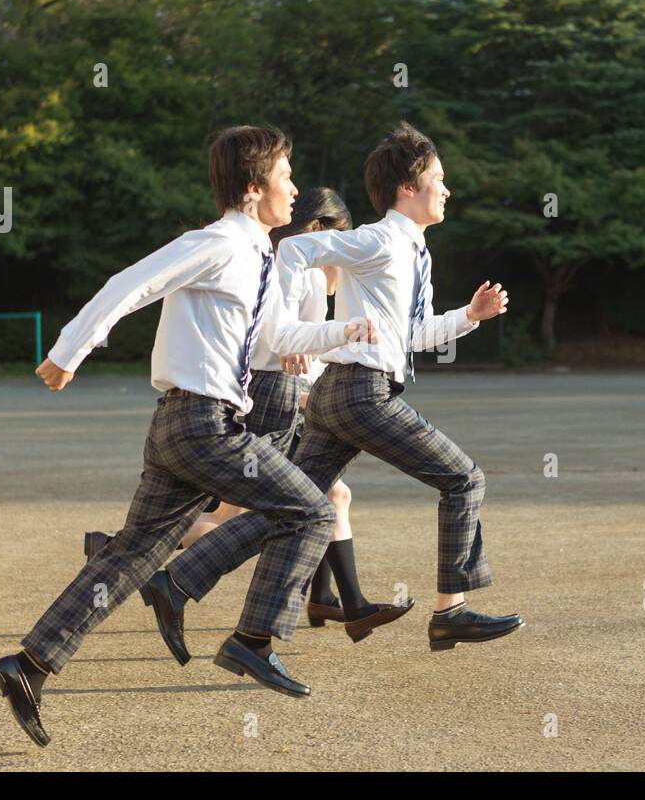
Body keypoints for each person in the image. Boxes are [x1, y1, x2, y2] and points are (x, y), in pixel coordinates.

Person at [0, 125, 376, 746]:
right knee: (309, 510)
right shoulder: (218, 242)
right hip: (203, 425)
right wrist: (70, 351)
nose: (296, 190)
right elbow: (129, 284)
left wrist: (345, 331)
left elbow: (281, 338)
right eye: (285, 177)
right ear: (253, 189)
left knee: (133, 555)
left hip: (183, 427)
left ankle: (27, 666)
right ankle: (253, 640)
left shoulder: (260, 257)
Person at [144, 121, 523, 700]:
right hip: (358, 394)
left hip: (342, 394)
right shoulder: (379, 240)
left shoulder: (412, 251)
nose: (447, 191)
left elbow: (414, 333)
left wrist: (469, 316)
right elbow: (294, 248)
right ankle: (452, 610)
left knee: (292, 510)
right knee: (463, 477)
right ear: (408, 187)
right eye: (439, 181)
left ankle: (180, 581)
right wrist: (289, 331)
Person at [83, 188, 409, 641]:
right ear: (318, 231)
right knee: (263, 512)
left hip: (268, 397)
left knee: (322, 499)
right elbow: (281, 341)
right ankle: (134, 559)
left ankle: (333, 600)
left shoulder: (274, 263)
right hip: (275, 401)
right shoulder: (304, 275)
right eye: (343, 242)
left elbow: (281, 339)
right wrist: (307, 389)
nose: (346, 258)